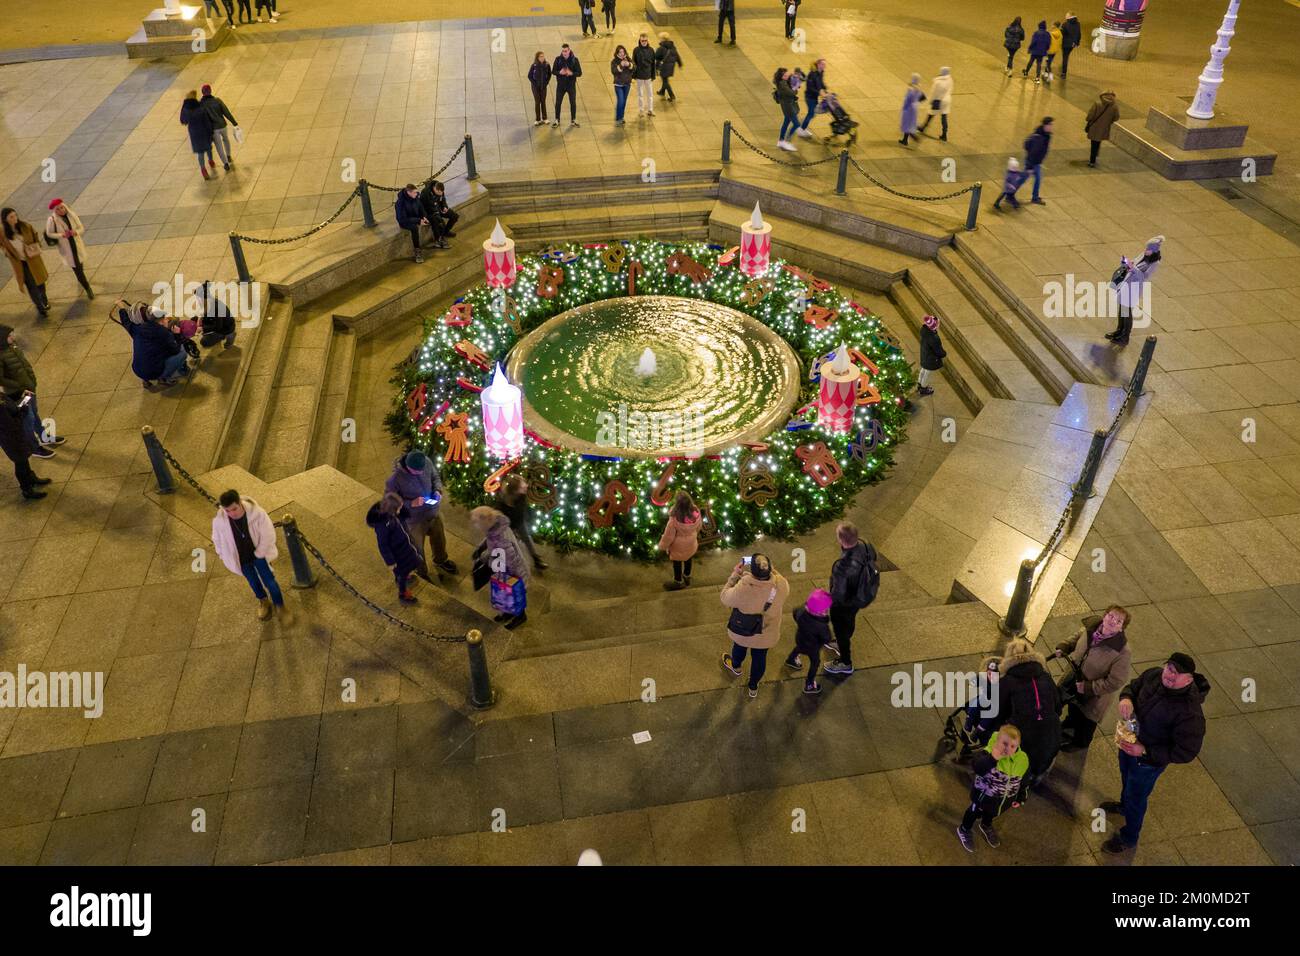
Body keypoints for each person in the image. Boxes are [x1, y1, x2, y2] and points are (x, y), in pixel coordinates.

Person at [1101, 653, 1209, 854]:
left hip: (1148, 762)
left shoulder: (1190, 713)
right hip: (1128, 745)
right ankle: (1123, 807)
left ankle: (1129, 837)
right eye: (1169, 668)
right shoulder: (1153, 675)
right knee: (1126, 779)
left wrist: (1145, 750)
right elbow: (1132, 687)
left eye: (1177, 673)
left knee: (1137, 797)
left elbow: (1186, 752)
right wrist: (1126, 699)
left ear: (1189, 679)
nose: (1169, 675)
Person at [1053, 606, 1132, 752]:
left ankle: (1080, 743)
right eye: (1111, 616)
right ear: (1105, 615)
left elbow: (1116, 681)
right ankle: (1069, 725)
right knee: (1073, 707)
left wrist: (1089, 687)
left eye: (1119, 621)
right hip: (1075, 678)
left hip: (1094, 694)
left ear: (1122, 628)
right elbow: (1077, 637)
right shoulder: (1092, 627)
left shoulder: (1122, 652)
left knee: (1086, 720)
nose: (1113, 621)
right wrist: (1065, 646)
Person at [993, 638, 1062, 799]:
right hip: (1051, 733)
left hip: (1023, 734)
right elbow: (1057, 705)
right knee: (1040, 758)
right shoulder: (1045, 677)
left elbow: (999, 710)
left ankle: (1018, 786)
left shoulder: (1007, 682)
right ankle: (1035, 777)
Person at [212, 489, 291, 623]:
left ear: (240, 503)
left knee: (270, 582)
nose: (231, 514)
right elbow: (216, 538)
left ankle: (280, 606)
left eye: (234, 509)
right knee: (253, 582)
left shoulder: (257, 514)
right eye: (227, 511)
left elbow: (268, 534)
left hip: (259, 555)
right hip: (241, 559)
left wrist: (260, 553)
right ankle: (263, 601)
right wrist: (222, 554)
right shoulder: (220, 520)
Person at [720, 554, 790, 699]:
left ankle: (736, 667)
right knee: (760, 657)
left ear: (751, 571)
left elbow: (725, 597)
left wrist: (735, 575)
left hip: (743, 631)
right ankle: (753, 686)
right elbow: (777, 578)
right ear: (770, 569)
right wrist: (772, 570)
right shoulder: (781, 585)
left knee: (739, 648)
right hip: (766, 633)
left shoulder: (743, 587)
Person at [385, 449, 458, 582]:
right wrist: (411, 503)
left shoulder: (426, 462)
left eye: (422, 469)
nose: (421, 472)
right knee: (417, 547)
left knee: (439, 538)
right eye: (417, 471)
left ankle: (441, 560)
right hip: (414, 520)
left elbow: (435, 477)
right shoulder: (395, 479)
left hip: (432, 512)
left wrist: (437, 490)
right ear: (408, 467)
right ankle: (421, 572)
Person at [955, 725, 1029, 852]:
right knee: (973, 812)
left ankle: (986, 825)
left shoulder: (1022, 759)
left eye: (1012, 746)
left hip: (1002, 800)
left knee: (991, 813)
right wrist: (993, 759)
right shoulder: (987, 754)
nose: (1007, 749)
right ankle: (964, 829)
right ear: (997, 741)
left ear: (1018, 746)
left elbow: (1024, 778)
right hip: (982, 797)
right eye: (1004, 743)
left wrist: (1022, 795)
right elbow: (977, 768)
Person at [0, 325, 65, 459]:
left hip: (28, 388)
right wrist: (19, 386)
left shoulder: (12, 347)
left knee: (34, 413)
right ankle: (34, 447)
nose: (12, 337)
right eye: (9, 336)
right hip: (18, 393)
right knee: (27, 420)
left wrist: (30, 382)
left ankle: (43, 436)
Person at [823, 522, 879, 677]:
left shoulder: (843, 566)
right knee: (850, 621)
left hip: (845, 602)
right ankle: (843, 640)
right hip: (861, 596)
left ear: (841, 540)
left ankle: (845, 662)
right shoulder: (865, 545)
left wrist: (825, 601)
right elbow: (874, 557)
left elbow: (838, 594)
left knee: (840, 627)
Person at [471, 506, 530, 629]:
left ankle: (520, 616)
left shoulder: (502, 540)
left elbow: (510, 562)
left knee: (515, 595)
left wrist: (486, 561)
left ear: (486, 521)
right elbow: (489, 538)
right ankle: (508, 613)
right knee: (505, 594)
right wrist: (481, 548)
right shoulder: (495, 527)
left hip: (514, 573)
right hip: (504, 569)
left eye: (477, 523)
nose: (476, 526)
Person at [1106, 235, 1162, 346]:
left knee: (1127, 313)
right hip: (1127, 284)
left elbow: (1144, 276)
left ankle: (1125, 337)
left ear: (1155, 251)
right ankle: (1119, 331)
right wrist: (1126, 263)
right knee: (1122, 310)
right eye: (1147, 248)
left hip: (1134, 288)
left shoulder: (1155, 263)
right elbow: (1134, 262)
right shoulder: (1143, 255)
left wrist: (1133, 268)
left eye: (1149, 249)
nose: (1146, 250)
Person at [368, 492, 422, 605]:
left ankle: (404, 576)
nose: (400, 510)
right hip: (397, 553)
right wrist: (390, 562)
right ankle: (403, 593)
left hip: (403, 547)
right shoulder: (382, 526)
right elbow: (383, 545)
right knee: (401, 572)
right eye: (399, 508)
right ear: (391, 510)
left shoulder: (390, 515)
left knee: (407, 566)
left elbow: (402, 516)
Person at [118, 305, 190, 387]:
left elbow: (126, 322)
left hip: (137, 370)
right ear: (161, 321)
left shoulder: (137, 329)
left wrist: (122, 309)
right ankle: (163, 378)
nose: (167, 319)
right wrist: (177, 335)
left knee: (147, 353)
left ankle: (145, 380)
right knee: (182, 352)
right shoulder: (164, 334)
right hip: (154, 372)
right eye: (165, 318)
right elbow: (175, 350)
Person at [1, 208, 50, 317]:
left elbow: (35, 235)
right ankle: (40, 307)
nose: (15, 218)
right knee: (31, 285)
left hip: (33, 259)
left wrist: (37, 245)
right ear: (5, 219)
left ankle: (44, 298)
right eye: (11, 217)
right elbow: (2, 244)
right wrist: (6, 252)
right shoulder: (2, 232)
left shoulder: (25, 226)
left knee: (40, 281)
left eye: (15, 215)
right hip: (20, 263)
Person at [494, 473, 548, 572]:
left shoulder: (521, 496)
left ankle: (536, 560)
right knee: (512, 546)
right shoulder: (502, 504)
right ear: (515, 491)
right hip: (507, 527)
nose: (526, 486)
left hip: (519, 522)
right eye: (522, 486)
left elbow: (523, 509)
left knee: (527, 539)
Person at [0, 392, 49, 500]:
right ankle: (27, 489)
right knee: (20, 462)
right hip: (11, 439)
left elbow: (11, 405)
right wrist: (24, 409)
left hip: (16, 436)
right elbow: (12, 424)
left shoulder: (1, 396)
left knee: (24, 458)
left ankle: (31, 478)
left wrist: (22, 396)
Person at [784, 588, 833, 695]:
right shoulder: (821, 626)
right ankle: (809, 684)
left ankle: (791, 660)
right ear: (822, 611)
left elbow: (794, 613)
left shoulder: (801, 610)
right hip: (813, 647)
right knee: (815, 663)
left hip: (800, 639)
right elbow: (827, 638)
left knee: (798, 648)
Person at [43, 199, 93, 300]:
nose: (61, 210)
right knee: (77, 268)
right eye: (58, 209)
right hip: (66, 246)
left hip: (76, 244)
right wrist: (62, 235)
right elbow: (49, 233)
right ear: (54, 211)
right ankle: (87, 288)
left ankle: (82, 280)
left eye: (62, 207)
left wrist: (76, 232)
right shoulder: (52, 220)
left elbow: (81, 227)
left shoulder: (71, 215)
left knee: (80, 264)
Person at [657, 490, 700, 590]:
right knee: (688, 558)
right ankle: (687, 576)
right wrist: (694, 535)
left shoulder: (674, 519)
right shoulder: (696, 512)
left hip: (678, 547)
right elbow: (699, 526)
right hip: (691, 543)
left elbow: (668, 536)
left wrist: (662, 546)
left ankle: (678, 581)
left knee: (677, 563)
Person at [199, 83, 239, 172]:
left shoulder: (201, 104)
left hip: (214, 129)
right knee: (226, 139)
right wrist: (234, 122)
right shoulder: (217, 100)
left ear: (202, 92)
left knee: (219, 146)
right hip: (223, 125)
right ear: (210, 91)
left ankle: (225, 163)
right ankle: (228, 155)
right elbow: (226, 112)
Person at [180, 91, 217, 180]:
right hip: (204, 130)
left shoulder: (185, 109)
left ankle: (203, 169)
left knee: (200, 152)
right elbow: (206, 120)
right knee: (208, 147)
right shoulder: (200, 106)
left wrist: (183, 106)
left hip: (194, 133)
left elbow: (183, 121)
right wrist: (210, 131)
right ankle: (211, 160)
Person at [195, 280, 238, 348]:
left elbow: (218, 327)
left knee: (204, 342)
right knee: (194, 320)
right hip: (218, 323)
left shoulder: (216, 308)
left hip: (225, 329)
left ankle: (229, 337)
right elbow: (204, 314)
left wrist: (203, 328)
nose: (197, 300)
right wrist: (199, 319)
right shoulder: (209, 303)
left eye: (198, 298)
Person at [395, 185, 431, 263]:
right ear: (409, 192)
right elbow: (402, 219)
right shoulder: (400, 203)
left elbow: (421, 207)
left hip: (415, 217)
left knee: (432, 217)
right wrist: (418, 221)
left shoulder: (415, 197)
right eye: (415, 192)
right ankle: (417, 250)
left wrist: (424, 216)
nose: (417, 194)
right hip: (405, 221)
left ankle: (439, 238)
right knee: (414, 228)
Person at [1022, 116, 1053, 205]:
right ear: (1045, 125)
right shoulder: (1040, 137)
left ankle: (1035, 197)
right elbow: (1033, 152)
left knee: (1037, 179)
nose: (1051, 126)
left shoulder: (1046, 135)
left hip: (1036, 162)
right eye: (1050, 124)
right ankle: (1009, 193)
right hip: (1032, 163)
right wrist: (1030, 165)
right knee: (1022, 179)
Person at [917, 67, 953, 141]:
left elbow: (933, 93)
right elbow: (951, 89)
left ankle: (923, 127)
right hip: (946, 100)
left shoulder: (938, 82)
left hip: (938, 100)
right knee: (944, 117)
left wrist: (930, 101)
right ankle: (944, 134)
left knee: (931, 114)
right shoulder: (950, 79)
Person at [1084, 90, 1119, 167]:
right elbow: (1116, 118)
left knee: (1093, 143)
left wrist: (1088, 120)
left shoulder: (1097, 104)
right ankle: (1095, 155)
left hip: (1094, 127)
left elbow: (1091, 115)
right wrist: (1109, 121)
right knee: (1098, 141)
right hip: (1104, 128)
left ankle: (1092, 161)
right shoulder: (1114, 106)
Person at [553, 44, 582, 129]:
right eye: (563, 51)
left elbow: (579, 73)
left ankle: (573, 120)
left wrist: (572, 73)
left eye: (566, 51)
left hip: (571, 85)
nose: (564, 53)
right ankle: (557, 120)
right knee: (558, 103)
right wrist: (559, 72)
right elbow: (553, 71)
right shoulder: (558, 59)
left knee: (573, 102)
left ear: (569, 50)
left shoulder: (575, 60)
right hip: (561, 86)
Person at [917, 313, 946, 396]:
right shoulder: (934, 338)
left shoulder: (924, 331)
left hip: (925, 355)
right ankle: (924, 388)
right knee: (928, 373)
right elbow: (938, 350)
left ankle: (919, 383)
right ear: (934, 326)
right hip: (931, 359)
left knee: (923, 369)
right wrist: (943, 354)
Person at [417, 181, 452, 248]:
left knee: (441, 221)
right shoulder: (425, 193)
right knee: (436, 221)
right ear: (436, 189)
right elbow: (421, 206)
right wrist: (424, 216)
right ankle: (438, 240)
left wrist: (444, 207)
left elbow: (442, 199)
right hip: (427, 213)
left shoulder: (440, 190)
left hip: (435, 211)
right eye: (439, 193)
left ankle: (441, 239)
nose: (440, 194)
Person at [796, 58, 826, 138]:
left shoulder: (821, 72)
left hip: (814, 97)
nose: (824, 66)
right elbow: (810, 88)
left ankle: (802, 126)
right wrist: (819, 92)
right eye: (823, 64)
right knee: (811, 113)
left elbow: (820, 82)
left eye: (825, 64)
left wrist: (824, 89)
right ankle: (801, 130)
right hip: (809, 97)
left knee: (812, 114)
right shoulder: (812, 74)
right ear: (818, 64)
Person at [774, 68, 801, 153]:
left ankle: (781, 141)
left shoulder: (782, 82)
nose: (787, 76)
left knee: (786, 123)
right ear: (781, 77)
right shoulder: (783, 85)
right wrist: (796, 88)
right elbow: (791, 93)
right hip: (788, 107)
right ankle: (786, 141)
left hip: (786, 107)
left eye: (787, 74)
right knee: (797, 124)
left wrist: (792, 77)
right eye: (785, 75)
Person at [632, 34, 657, 118]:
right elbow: (633, 63)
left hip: (648, 75)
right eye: (642, 41)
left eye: (645, 40)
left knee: (650, 94)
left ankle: (650, 109)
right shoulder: (636, 50)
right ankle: (641, 110)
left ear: (647, 40)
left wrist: (653, 75)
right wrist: (633, 76)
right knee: (640, 94)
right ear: (640, 40)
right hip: (639, 75)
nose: (644, 42)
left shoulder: (651, 50)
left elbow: (653, 64)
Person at [898, 73, 925, 147]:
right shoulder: (919, 87)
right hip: (915, 108)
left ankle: (914, 137)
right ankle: (905, 140)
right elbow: (923, 97)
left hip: (909, 108)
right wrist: (916, 102)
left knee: (906, 124)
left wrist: (904, 108)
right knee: (909, 124)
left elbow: (907, 99)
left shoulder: (911, 89)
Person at [609, 45, 633, 126]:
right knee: (621, 101)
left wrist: (629, 65)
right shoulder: (614, 61)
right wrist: (621, 65)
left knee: (624, 102)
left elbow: (634, 68)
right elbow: (614, 71)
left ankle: (621, 117)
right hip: (618, 85)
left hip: (627, 84)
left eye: (623, 52)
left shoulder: (628, 59)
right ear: (617, 53)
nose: (622, 53)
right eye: (620, 52)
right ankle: (618, 118)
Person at [654, 33, 681, 103]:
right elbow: (677, 55)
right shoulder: (672, 46)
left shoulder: (661, 48)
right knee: (665, 79)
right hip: (671, 66)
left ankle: (672, 95)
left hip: (664, 67)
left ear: (663, 39)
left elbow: (656, 57)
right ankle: (662, 92)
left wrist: (655, 66)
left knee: (665, 81)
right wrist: (679, 63)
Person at [528, 52, 552, 126]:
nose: (542, 58)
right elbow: (529, 76)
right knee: (537, 102)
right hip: (535, 87)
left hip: (543, 87)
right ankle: (538, 119)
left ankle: (545, 118)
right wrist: (535, 84)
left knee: (543, 101)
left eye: (543, 56)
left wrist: (546, 83)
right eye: (540, 57)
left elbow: (549, 75)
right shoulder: (534, 65)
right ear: (537, 58)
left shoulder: (547, 65)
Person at [1061, 11, 1082, 76]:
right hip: (1072, 44)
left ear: (1069, 16)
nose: (1065, 16)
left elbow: (1062, 34)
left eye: (1066, 15)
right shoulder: (1078, 24)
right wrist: (1076, 43)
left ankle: (1064, 73)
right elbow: (1079, 34)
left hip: (1065, 44)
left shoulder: (1065, 24)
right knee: (1066, 56)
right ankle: (1064, 71)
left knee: (1065, 57)